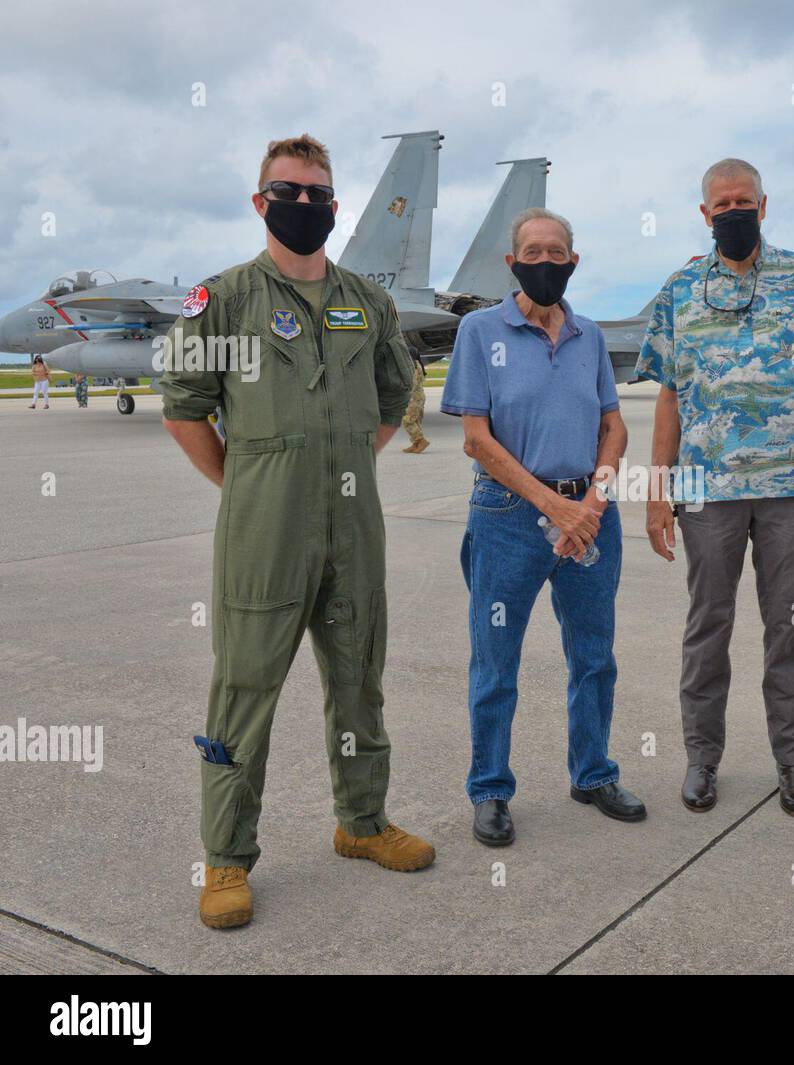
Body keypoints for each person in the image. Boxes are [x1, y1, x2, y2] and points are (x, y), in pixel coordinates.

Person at [158, 133, 435, 931]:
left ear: (335, 204)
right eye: (289, 192)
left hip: (354, 526)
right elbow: (183, 407)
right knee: (244, 688)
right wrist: (251, 481)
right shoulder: (223, 299)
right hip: (264, 532)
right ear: (261, 202)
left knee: (360, 678)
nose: (304, 204)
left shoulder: (367, 302)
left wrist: (344, 464)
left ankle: (363, 821)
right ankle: (226, 857)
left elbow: (394, 397)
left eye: (318, 193)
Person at [637, 158, 794, 818]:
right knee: (708, 626)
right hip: (707, 491)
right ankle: (702, 759)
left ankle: (793, 760)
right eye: (721, 203)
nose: (733, 211)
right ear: (704, 213)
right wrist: (657, 490)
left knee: (789, 628)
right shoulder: (679, 289)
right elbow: (669, 397)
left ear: (763, 205)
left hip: (790, 490)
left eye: (744, 201)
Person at [441, 206, 644, 847]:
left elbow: (614, 426)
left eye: (557, 253)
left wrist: (594, 503)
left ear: (573, 262)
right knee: (496, 661)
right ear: (512, 262)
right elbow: (477, 439)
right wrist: (554, 508)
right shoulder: (480, 331)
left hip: (590, 516)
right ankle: (490, 790)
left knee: (594, 656)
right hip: (508, 517)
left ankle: (593, 773)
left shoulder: (588, 337)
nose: (546, 263)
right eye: (533, 253)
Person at [401, 347, 429, 453]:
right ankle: (416, 444)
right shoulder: (417, 364)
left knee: (407, 420)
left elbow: (412, 384)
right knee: (415, 421)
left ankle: (421, 441)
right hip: (418, 397)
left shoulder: (413, 367)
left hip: (414, 398)